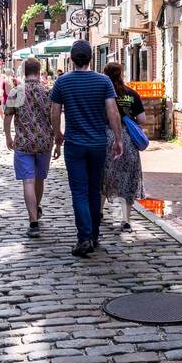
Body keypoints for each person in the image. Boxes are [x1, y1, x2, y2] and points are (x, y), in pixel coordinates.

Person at [50, 40, 124, 257]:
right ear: (91, 58)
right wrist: (118, 139)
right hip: (98, 143)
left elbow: (55, 112)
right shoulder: (103, 82)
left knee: (79, 191)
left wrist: (57, 136)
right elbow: (113, 111)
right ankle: (93, 234)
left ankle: (84, 237)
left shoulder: (62, 82)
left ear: (71, 59)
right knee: (94, 189)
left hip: (74, 144)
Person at [4, 58, 53, 238]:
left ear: (24, 72)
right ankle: (36, 208)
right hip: (44, 142)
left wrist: (8, 136)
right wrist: (57, 137)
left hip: (24, 142)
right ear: (39, 72)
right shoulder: (47, 92)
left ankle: (33, 221)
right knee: (39, 179)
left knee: (28, 182)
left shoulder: (18, 91)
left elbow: (8, 116)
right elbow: (53, 117)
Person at [102, 62, 146, 232]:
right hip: (127, 138)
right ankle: (126, 219)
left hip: (106, 137)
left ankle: (99, 212)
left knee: (104, 175)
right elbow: (142, 120)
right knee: (128, 177)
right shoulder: (131, 94)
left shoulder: (103, 93)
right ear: (121, 74)